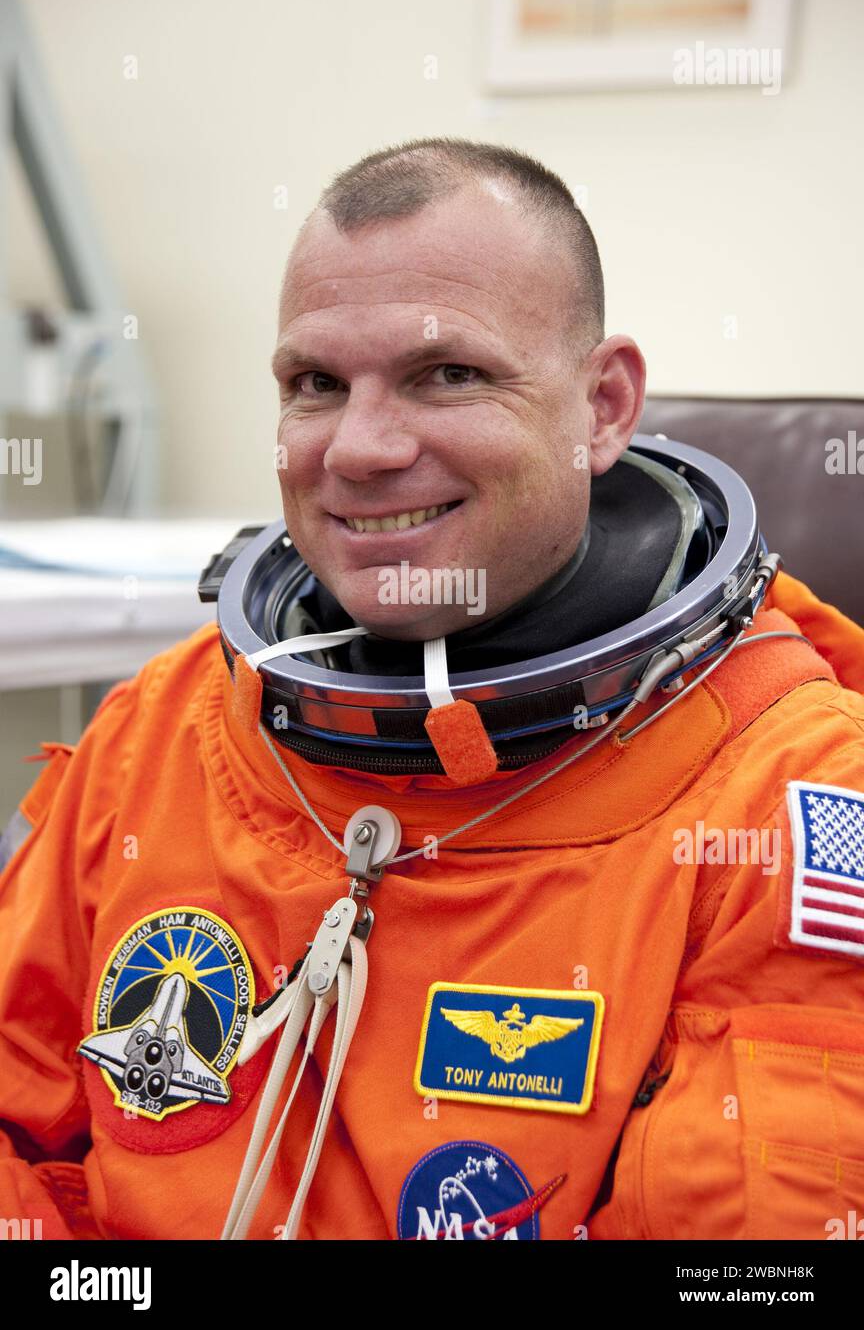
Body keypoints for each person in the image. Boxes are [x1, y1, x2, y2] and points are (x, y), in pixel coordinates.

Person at [2, 138, 863, 1243]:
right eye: (316, 384)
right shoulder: (160, 731)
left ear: (601, 407)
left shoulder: (783, 801)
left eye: (446, 373)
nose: (359, 448)